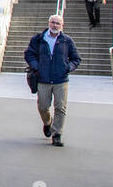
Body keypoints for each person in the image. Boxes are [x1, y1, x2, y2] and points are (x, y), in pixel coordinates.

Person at [23, 14, 81, 147]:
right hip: (43, 79)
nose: (55, 25)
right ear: (49, 23)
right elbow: (29, 54)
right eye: (53, 22)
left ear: (62, 26)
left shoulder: (67, 41)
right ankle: (48, 123)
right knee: (43, 107)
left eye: (58, 23)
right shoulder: (39, 39)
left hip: (61, 80)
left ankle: (57, 134)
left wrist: (68, 68)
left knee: (60, 108)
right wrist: (36, 66)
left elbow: (76, 58)